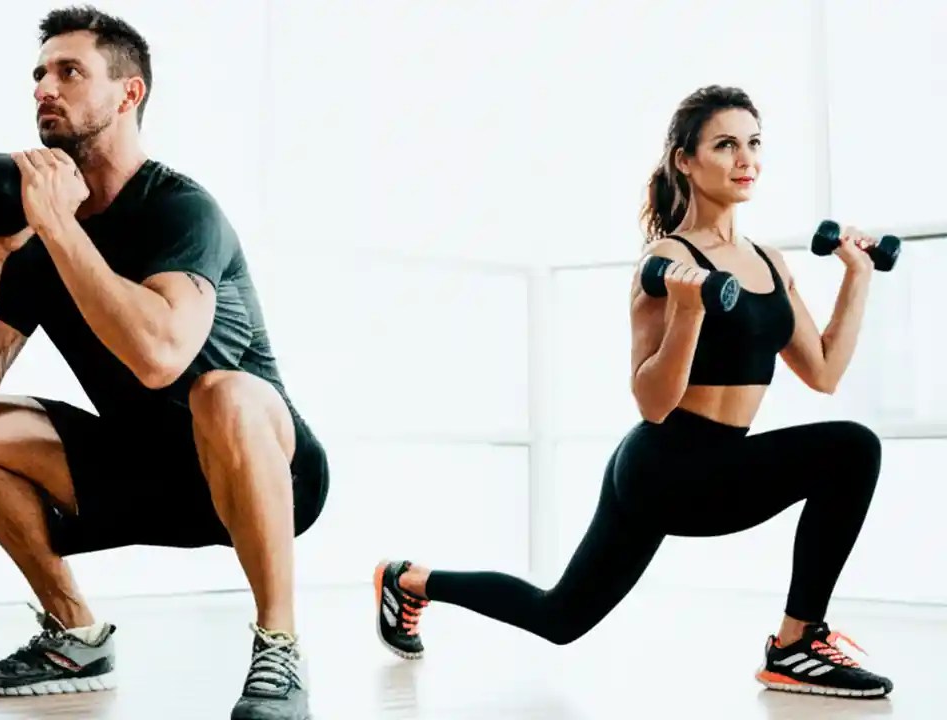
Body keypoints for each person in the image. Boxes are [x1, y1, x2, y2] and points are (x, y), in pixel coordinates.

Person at [372, 85, 895, 699]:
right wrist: (689, 311)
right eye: (725, 145)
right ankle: (796, 646)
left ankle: (408, 580)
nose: (745, 159)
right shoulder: (668, 258)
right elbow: (652, 402)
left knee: (558, 616)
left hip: (723, 463)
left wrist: (857, 277)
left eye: (753, 143)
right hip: (665, 468)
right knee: (851, 449)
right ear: (685, 160)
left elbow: (824, 373)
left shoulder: (772, 263)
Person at [0, 6, 327, 719]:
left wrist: (56, 228)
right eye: (40, 74)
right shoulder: (39, 235)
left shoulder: (181, 210)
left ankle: (280, 646)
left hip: (262, 467)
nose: (44, 88)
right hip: (146, 471)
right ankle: (74, 635)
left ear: (128, 92)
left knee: (225, 393)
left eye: (69, 71)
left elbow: (158, 358)